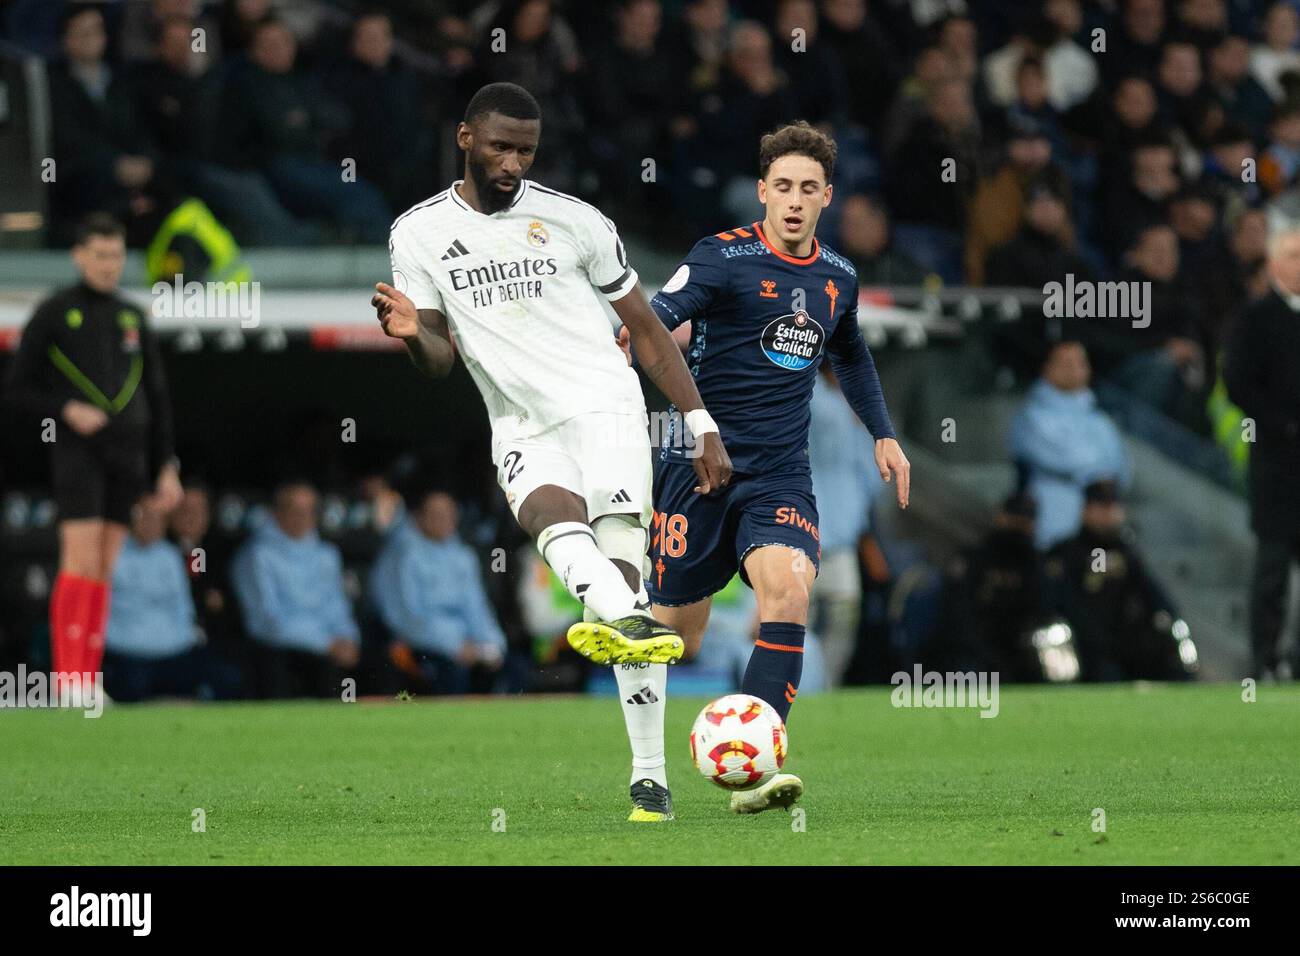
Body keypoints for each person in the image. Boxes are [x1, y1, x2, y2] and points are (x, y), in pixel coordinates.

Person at [372, 82, 732, 823]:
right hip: (521, 424)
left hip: (606, 408)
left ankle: (650, 780)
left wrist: (698, 422)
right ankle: (630, 621)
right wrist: (414, 335)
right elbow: (439, 359)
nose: (512, 162)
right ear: (466, 137)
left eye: (526, 151)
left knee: (619, 573)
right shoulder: (417, 234)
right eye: (500, 146)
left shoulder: (574, 222)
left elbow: (649, 331)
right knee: (555, 531)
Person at [642, 121, 909, 815]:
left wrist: (883, 433)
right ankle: (645, 765)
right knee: (678, 637)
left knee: (789, 594)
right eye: (782, 187)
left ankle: (758, 761)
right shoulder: (721, 258)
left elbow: (848, 353)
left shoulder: (838, 278)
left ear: (828, 197)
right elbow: (655, 320)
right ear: (763, 191)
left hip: (779, 476)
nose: (794, 200)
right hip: (698, 468)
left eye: (808, 189)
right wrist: (636, 343)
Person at [5, 213, 181, 702]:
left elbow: (158, 394)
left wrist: (166, 463)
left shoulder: (132, 315)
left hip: (128, 453)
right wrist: (66, 408)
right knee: (79, 559)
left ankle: (90, 674)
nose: (109, 265)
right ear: (79, 255)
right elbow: (17, 389)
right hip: (78, 451)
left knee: (105, 565)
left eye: (117, 255)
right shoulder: (55, 312)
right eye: (100, 255)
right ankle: (68, 679)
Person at [1224, 226, 1300, 680]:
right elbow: (1238, 383)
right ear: (1272, 264)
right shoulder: (1254, 318)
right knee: (1272, 566)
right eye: (1292, 255)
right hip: (1276, 464)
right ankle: (1264, 660)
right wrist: (1284, 425)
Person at [1043, 480, 1193, 681]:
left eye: (1114, 507)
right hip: (1085, 644)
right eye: (1103, 508)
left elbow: (1153, 593)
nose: (1110, 514)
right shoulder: (1067, 553)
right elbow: (1062, 602)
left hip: (1125, 639)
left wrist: (1169, 616)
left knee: (1171, 663)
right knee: (1105, 674)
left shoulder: (1126, 552)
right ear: (1086, 510)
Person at [230, 480, 361, 698]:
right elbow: (267, 621)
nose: (302, 518)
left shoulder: (327, 555)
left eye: (309, 511)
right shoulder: (257, 556)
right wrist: (326, 644)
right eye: (295, 510)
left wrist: (348, 638)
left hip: (326, 649)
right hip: (276, 648)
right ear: (277, 512)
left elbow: (337, 607)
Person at [102, 500, 241, 701]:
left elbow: (184, 606)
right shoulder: (111, 554)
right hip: (126, 650)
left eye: (157, 520)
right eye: (144, 518)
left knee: (226, 676)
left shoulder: (175, 556)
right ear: (130, 520)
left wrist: (187, 638)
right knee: (130, 689)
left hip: (175, 649)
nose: (150, 525)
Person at [371, 491, 507, 694]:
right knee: (452, 672)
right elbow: (405, 618)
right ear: (419, 517)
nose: (444, 520)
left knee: (513, 668)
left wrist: (493, 644)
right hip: (421, 645)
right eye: (436, 514)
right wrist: (454, 644)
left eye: (449, 514)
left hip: (468, 646)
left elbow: (477, 608)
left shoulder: (464, 556)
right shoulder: (402, 555)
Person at [1008, 341, 1129, 551]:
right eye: (1065, 363)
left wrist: (1099, 476)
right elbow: (1066, 460)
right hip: (1053, 507)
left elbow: (1120, 467)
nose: (1074, 370)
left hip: (1098, 511)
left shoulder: (1099, 419)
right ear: (1047, 369)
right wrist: (1098, 471)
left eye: (1080, 363)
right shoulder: (1032, 415)